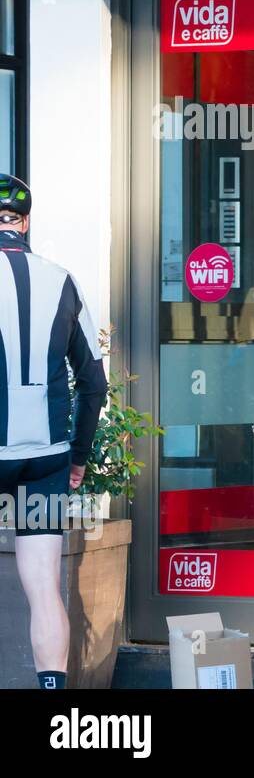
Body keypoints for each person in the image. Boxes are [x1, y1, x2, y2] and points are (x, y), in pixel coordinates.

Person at [0, 174, 108, 690]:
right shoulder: (62, 280)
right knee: (44, 587)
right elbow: (94, 384)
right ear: (24, 221)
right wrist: (79, 456)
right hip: (45, 459)